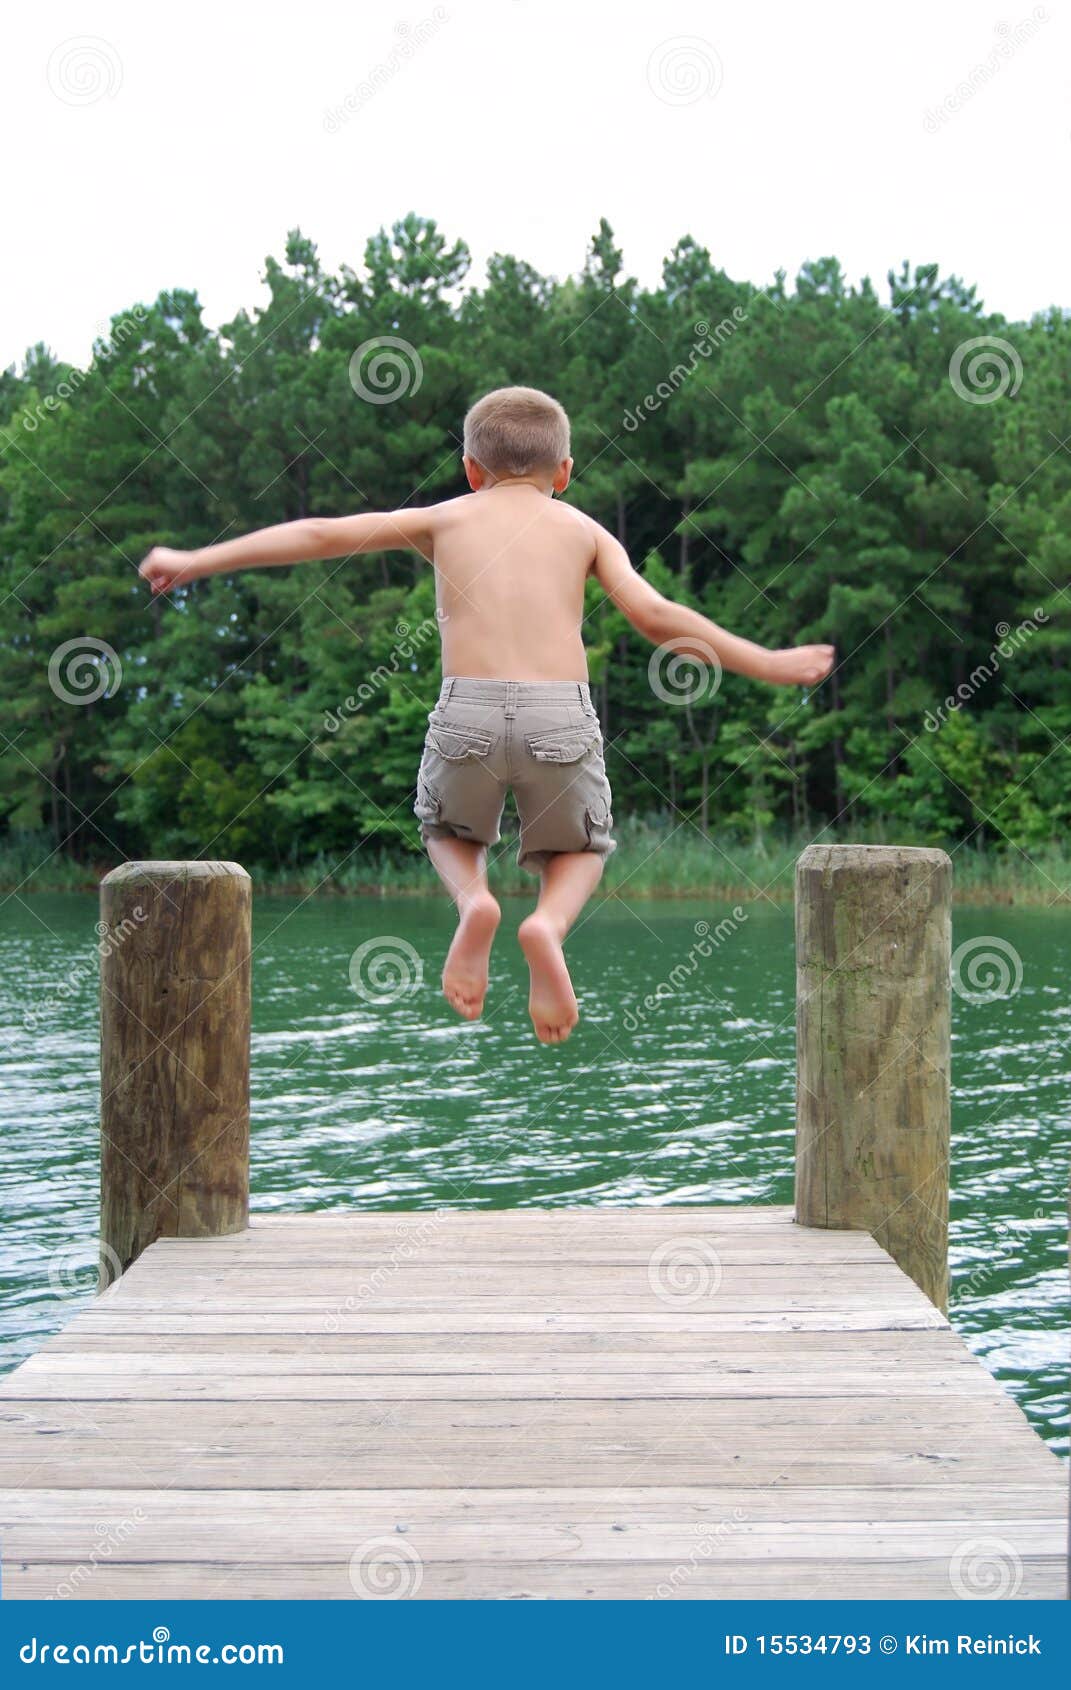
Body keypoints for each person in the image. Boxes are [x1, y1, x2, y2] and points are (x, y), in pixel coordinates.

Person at [140, 385, 834, 1043]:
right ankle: (547, 930)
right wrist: (767, 662)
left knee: (445, 830)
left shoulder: (444, 517)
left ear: (470, 469)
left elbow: (320, 535)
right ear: (563, 471)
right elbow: (655, 616)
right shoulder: (584, 530)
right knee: (581, 850)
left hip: (466, 709)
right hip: (559, 715)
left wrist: (196, 560)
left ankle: (475, 904)